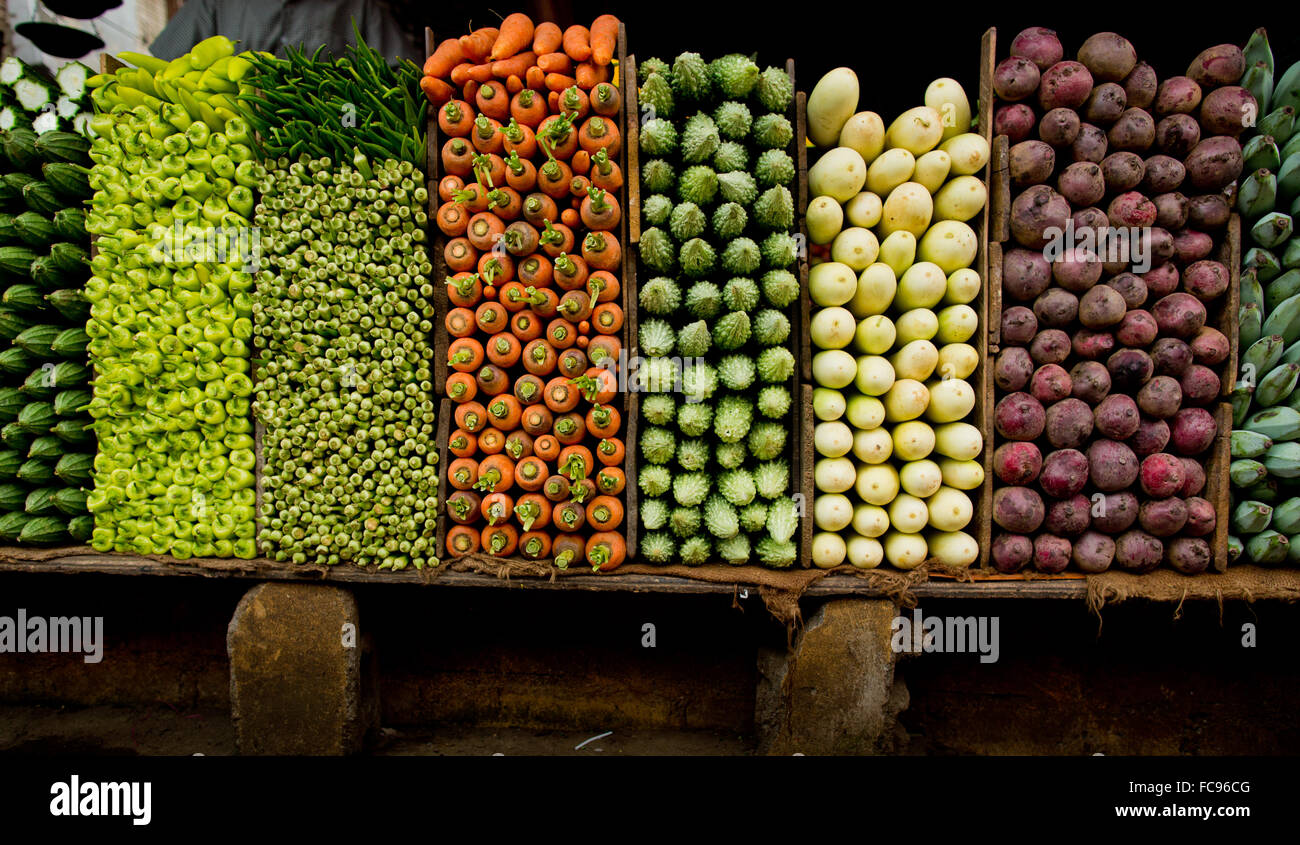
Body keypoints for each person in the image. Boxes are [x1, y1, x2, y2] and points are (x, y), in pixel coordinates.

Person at [149, 0, 420, 62]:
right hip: (227, 154)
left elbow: (405, 75)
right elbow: (160, 67)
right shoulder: (217, 3)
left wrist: (350, 116)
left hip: (326, 151)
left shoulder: (357, 6)